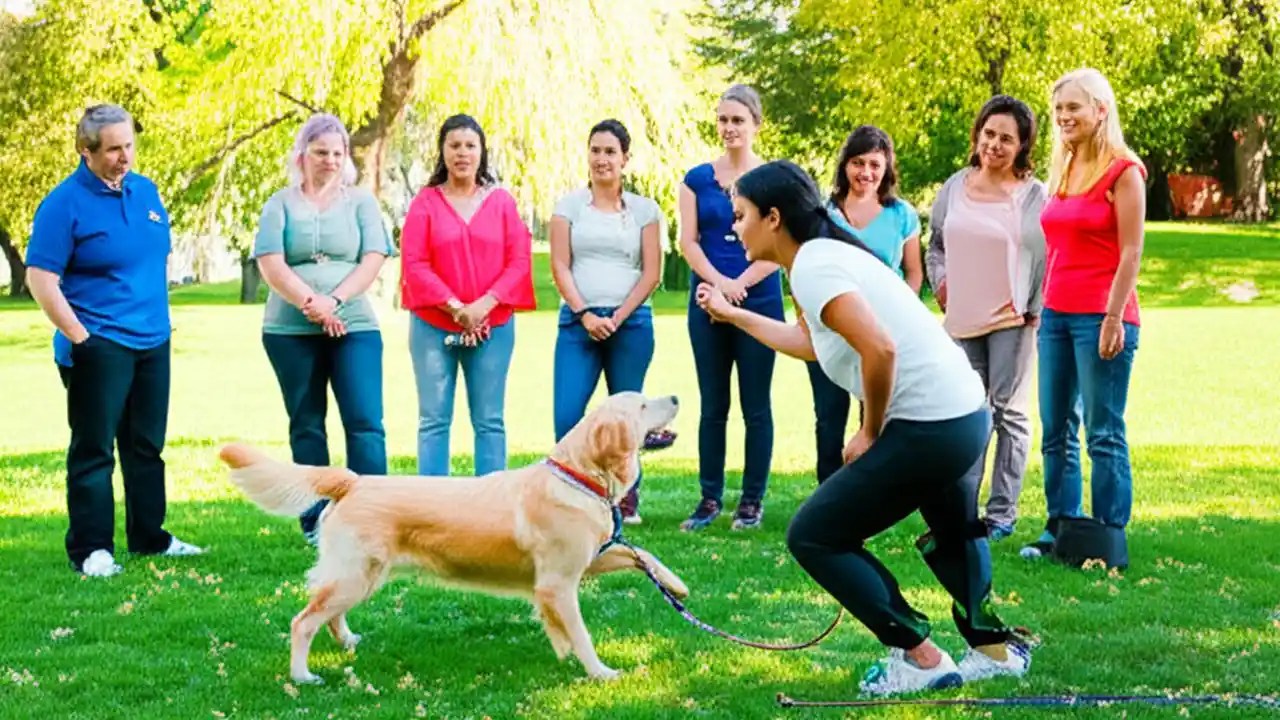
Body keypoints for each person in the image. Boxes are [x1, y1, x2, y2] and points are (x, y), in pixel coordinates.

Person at [696, 160, 1031, 696]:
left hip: (932, 424)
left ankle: (921, 656)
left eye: (740, 216)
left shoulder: (814, 267)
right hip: (963, 415)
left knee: (814, 535)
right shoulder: (815, 262)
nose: (734, 227)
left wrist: (870, 431)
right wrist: (734, 315)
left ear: (774, 218)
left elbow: (880, 347)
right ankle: (994, 652)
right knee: (954, 531)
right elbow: (812, 345)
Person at [24, 104, 203, 577]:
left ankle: (150, 537)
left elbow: (152, 260)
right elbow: (41, 277)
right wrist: (80, 337)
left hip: (152, 341)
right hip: (97, 342)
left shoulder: (145, 192)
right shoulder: (63, 204)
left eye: (130, 146)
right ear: (86, 152)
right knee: (94, 449)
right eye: (114, 149)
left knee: (146, 445)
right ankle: (91, 550)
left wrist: (162, 320)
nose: (125, 156)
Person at [1021, 68, 1146, 560]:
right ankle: (1061, 530)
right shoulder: (1066, 166)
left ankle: (1109, 536)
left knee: (1103, 431)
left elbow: (1132, 251)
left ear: (1100, 110)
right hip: (1056, 315)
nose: (1063, 117)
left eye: (1073, 107)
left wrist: (1114, 317)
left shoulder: (1124, 171)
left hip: (1103, 316)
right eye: (1058, 110)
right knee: (1055, 429)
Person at [252, 113, 395, 545]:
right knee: (307, 424)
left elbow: (374, 256)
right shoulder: (279, 203)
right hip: (289, 331)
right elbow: (271, 263)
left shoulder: (361, 203)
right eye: (320, 152)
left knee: (366, 421)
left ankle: (375, 515)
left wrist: (334, 301)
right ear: (302, 155)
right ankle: (316, 520)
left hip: (354, 326)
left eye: (337, 153)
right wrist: (309, 303)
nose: (330, 160)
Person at [925, 95, 1047, 541]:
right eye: (989, 134)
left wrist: (1033, 308)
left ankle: (1001, 514)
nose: (995, 144)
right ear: (977, 135)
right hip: (961, 321)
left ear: (1022, 146)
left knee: (1008, 414)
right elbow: (935, 244)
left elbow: (1045, 256)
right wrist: (940, 284)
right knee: (965, 413)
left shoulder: (1033, 195)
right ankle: (962, 507)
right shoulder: (955, 185)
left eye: (1007, 138)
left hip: (1012, 319)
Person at [400, 114, 536, 477]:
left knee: (490, 420)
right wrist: (457, 308)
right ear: (442, 151)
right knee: (433, 420)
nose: (462, 153)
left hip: (493, 326)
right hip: (433, 327)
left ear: (482, 152)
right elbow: (415, 264)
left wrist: (483, 307)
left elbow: (519, 261)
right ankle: (434, 510)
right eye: (454, 145)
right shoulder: (425, 203)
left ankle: (490, 508)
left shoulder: (503, 203)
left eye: (470, 146)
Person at [677, 84, 783, 531]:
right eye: (723, 119)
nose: (729, 128)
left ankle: (751, 501)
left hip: (759, 302)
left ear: (756, 124)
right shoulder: (696, 179)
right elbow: (687, 241)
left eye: (738, 120)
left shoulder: (775, 178)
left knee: (756, 406)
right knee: (712, 405)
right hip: (707, 303)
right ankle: (709, 498)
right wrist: (719, 285)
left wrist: (740, 285)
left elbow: (781, 244)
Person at [549, 119, 663, 523]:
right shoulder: (569, 207)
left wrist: (616, 316)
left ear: (625, 159)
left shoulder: (645, 211)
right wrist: (584, 313)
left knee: (628, 417)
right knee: (567, 415)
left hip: (630, 325)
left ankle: (625, 498)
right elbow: (560, 265)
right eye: (595, 150)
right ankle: (571, 492)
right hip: (578, 324)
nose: (602, 159)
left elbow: (652, 273)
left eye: (610, 152)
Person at [809, 125, 924, 484]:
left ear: (887, 167)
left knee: (875, 413)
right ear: (845, 165)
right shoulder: (824, 213)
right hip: (832, 323)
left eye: (875, 164)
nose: (866, 173)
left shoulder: (902, 214)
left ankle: (869, 487)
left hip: (879, 326)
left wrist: (902, 316)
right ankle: (828, 487)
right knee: (829, 414)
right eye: (858, 163)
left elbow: (914, 273)